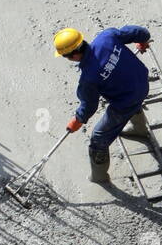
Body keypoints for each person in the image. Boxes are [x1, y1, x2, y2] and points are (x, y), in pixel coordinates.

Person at [54, 24, 151, 182]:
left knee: (98, 137)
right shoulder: (107, 36)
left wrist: (78, 120)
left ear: (72, 55)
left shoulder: (88, 79)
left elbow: (89, 106)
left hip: (127, 100)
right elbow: (140, 32)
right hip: (141, 82)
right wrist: (143, 41)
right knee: (131, 99)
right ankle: (139, 129)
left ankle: (99, 177)